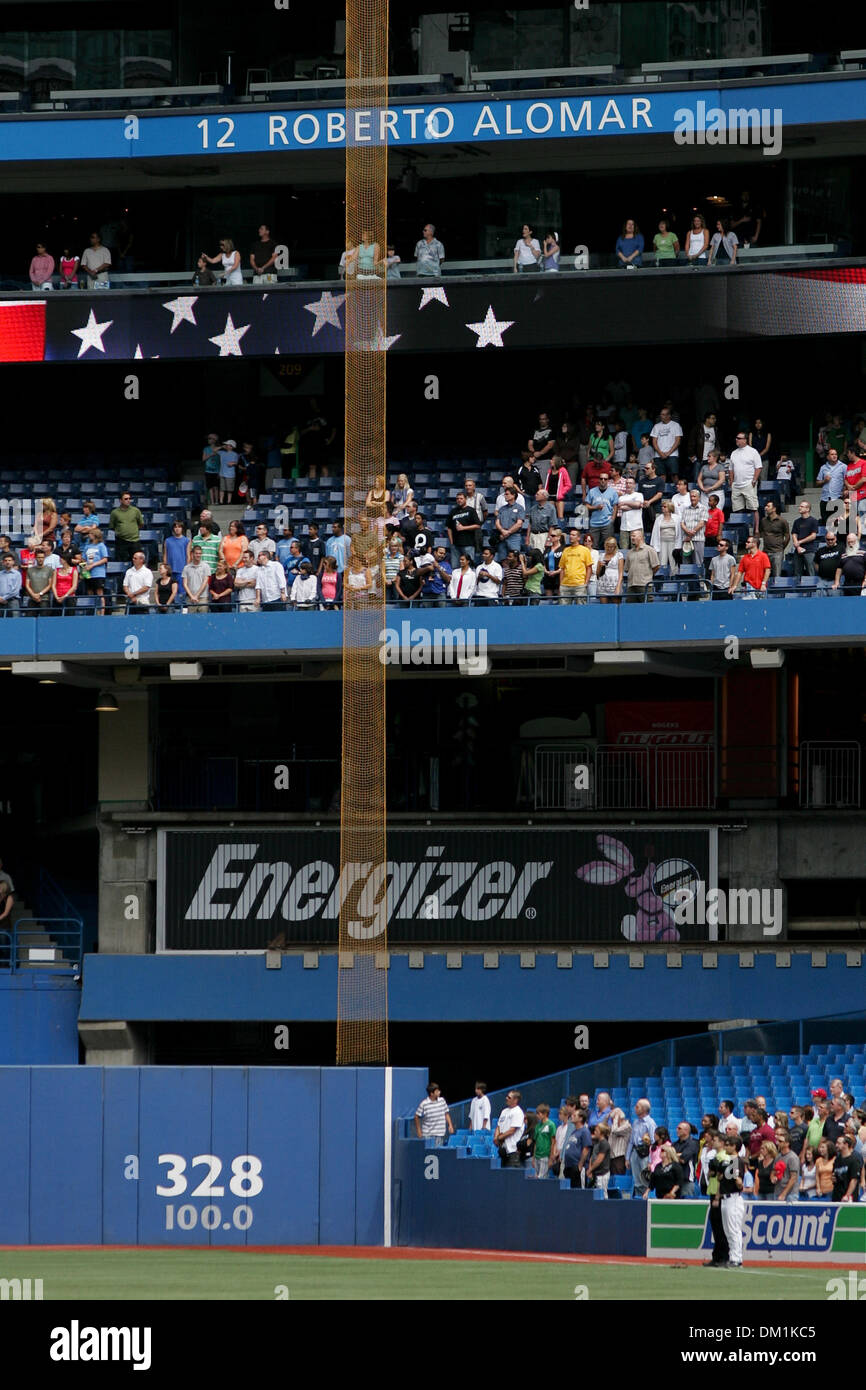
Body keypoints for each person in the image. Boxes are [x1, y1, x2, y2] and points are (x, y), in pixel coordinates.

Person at [626, 1099, 656, 1196]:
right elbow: (631, 1141)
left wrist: (651, 1161)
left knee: (645, 1179)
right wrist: (627, 1158)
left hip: (645, 1153)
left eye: (637, 1106)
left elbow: (653, 1142)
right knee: (637, 1180)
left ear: (643, 1109)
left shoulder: (650, 1123)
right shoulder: (635, 1122)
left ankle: (646, 1199)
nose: (635, 1108)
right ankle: (638, 1199)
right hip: (635, 1152)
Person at [109, 492, 144, 565]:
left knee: (137, 562)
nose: (128, 500)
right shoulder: (114, 513)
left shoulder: (135, 510)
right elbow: (112, 526)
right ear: (120, 500)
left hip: (134, 540)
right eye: (126, 499)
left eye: (129, 498)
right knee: (121, 563)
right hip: (121, 541)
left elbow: (141, 524)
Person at [624, 530, 659, 602]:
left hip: (644, 585)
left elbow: (656, 566)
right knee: (631, 609)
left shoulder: (649, 550)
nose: (632, 538)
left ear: (641, 537)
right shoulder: (629, 552)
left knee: (647, 609)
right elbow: (627, 569)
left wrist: (647, 576)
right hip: (631, 586)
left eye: (634, 536)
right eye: (631, 536)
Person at [493, 1090, 525, 1168]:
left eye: (509, 1097)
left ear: (515, 1100)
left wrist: (499, 1138)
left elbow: (512, 1130)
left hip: (513, 1150)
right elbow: (498, 1126)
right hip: (503, 1150)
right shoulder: (504, 1111)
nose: (506, 1098)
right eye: (507, 1096)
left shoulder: (518, 1112)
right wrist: (496, 1138)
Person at [758, 500, 790, 578]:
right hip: (765, 551)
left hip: (777, 552)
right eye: (766, 506)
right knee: (763, 575)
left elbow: (787, 536)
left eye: (768, 506)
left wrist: (781, 548)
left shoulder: (782, 521)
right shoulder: (763, 521)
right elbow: (761, 533)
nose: (766, 508)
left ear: (774, 509)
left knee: (777, 576)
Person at [651, 405, 683, 479]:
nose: (661, 416)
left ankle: (678, 490)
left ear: (668, 415)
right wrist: (661, 453)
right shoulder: (656, 426)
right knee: (661, 476)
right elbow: (654, 442)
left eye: (663, 414)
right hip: (658, 455)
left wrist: (668, 453)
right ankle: (661, 491)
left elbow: (677, 441)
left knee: (674, 475)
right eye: (661, 414)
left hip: (672, 455)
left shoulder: (676, 425)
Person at [650, 500, 682, 574]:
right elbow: (654, 532)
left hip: (673, 542)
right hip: (662, 542)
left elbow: (680, 532)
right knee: (662, 561)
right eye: (662, 506)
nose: (662, 508)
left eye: (664, 507)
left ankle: (674, 578)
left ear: (670, 508)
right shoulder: (658, 518)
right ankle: (662, 579)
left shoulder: (677, 518)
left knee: (673, 562)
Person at [832, 1135, 862, 1202]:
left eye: (839, 1143)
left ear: (846, 1145)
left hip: (848, 1198)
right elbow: (834, 1174)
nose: (836, 1145)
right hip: (837, 1195)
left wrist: (847, 1195)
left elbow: (854, 1180)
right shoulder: (837, 1160)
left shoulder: (854, 1160)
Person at [182, 545, 211, 611]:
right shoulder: (186, 568)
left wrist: (196, 596)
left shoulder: (206, 566)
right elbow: (185, 584)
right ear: (192, 554)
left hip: (203, 598)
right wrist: (192, 596)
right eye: (196, 553)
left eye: (200, 553)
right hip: (190, 598)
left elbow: (205, 582)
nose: (198, 555)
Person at [532, 1104, 556, 1178]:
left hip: (545, 1155)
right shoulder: (537, 1126)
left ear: (545, 1114)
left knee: (542, 1177)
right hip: (537, 1156)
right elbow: (536, 1142)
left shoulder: (551, 1125)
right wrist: (533, 1157)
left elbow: (553, 1141)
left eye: (539, 1113)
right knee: (536, 1177)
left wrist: (551, 1156)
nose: (537, 1115)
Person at [588, 1123, 612, 1193]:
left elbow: (599, 1159)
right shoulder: (596, 1142)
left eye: (596, 1131)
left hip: (602, 1173)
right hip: (596, 1173)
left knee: (602, 1193)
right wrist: (590, 1169)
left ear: (601, 1132)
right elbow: (593, 1156)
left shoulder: (604, 1143)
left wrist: (590, 1169)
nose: (594, 1132)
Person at [0, 550, 22, 614]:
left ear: (13, 562)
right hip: (0, 601)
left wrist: (4, 598)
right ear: (3, 562)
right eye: (6, 560)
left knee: (15, 621)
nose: (7, 562)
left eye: (9, 560)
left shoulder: (17, 574)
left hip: (13, 601)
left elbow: (16, 591)